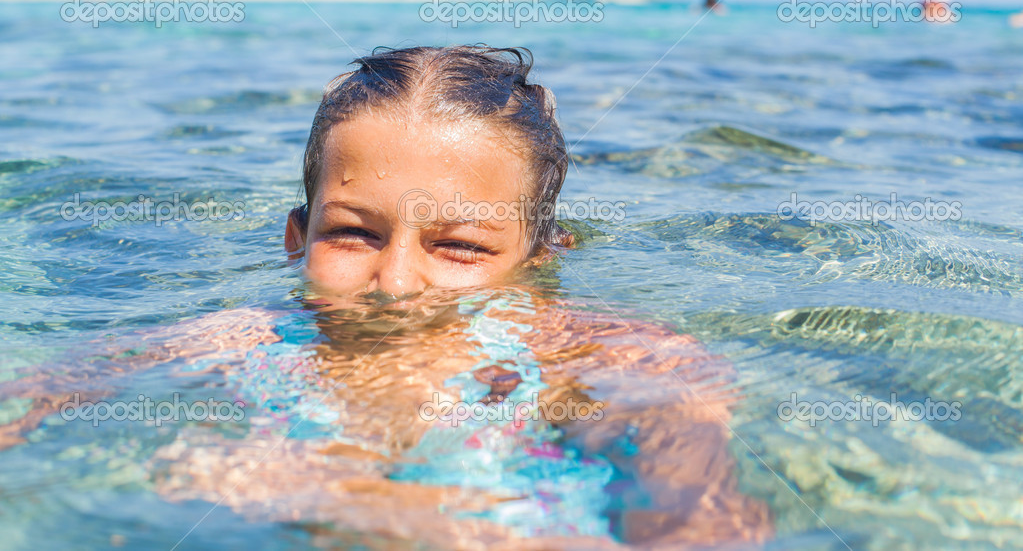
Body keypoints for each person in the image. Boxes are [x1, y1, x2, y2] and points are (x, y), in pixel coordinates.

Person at [2, 46, 772, 548]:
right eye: (353, 234)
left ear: (539, 257)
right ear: (296, 238)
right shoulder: (242, 336)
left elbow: (700, 521)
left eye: (460, 246)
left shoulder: (603, 360)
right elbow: (39, 396)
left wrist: (363, 504)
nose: (396, 282)